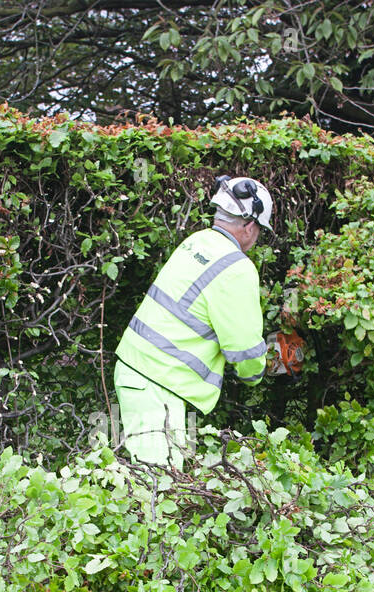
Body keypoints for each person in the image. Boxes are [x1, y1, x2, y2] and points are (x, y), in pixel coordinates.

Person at [112, 175, 299, 468]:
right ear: (250, 226)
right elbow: (244, 350)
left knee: (165, 480)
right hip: (156, 383)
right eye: (260, 230)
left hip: (145, 374)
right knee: (156, 486)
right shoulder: (237, 267)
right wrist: (264, 368)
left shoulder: (197, 241)